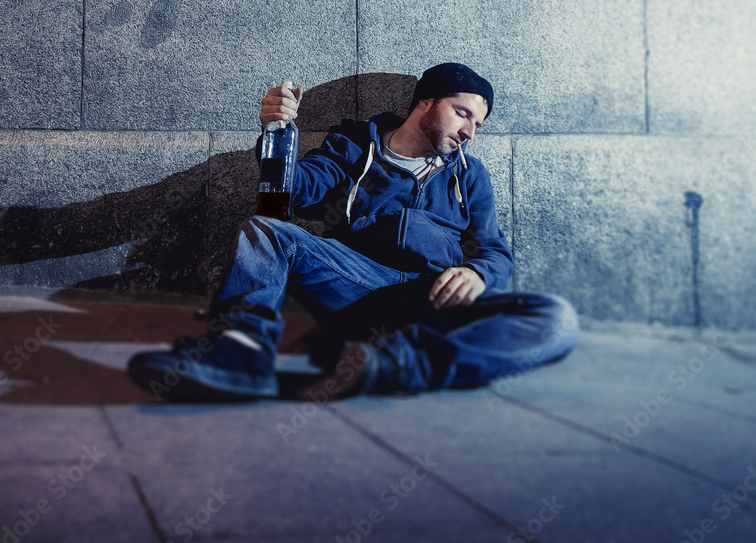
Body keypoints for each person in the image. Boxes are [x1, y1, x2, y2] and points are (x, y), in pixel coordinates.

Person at [128, 63, 578, 401]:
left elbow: (494, 250)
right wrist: (279, 132)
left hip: (433, 298)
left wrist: (478, 273)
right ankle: (240, 353)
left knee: (555, 317)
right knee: (265, 229)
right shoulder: (354, 147)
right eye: (462, 113)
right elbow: (289, 195)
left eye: (478, 124)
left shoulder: (470, 176)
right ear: (426, 102)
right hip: (357, 287)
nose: (470, 132)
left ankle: (394, 365)